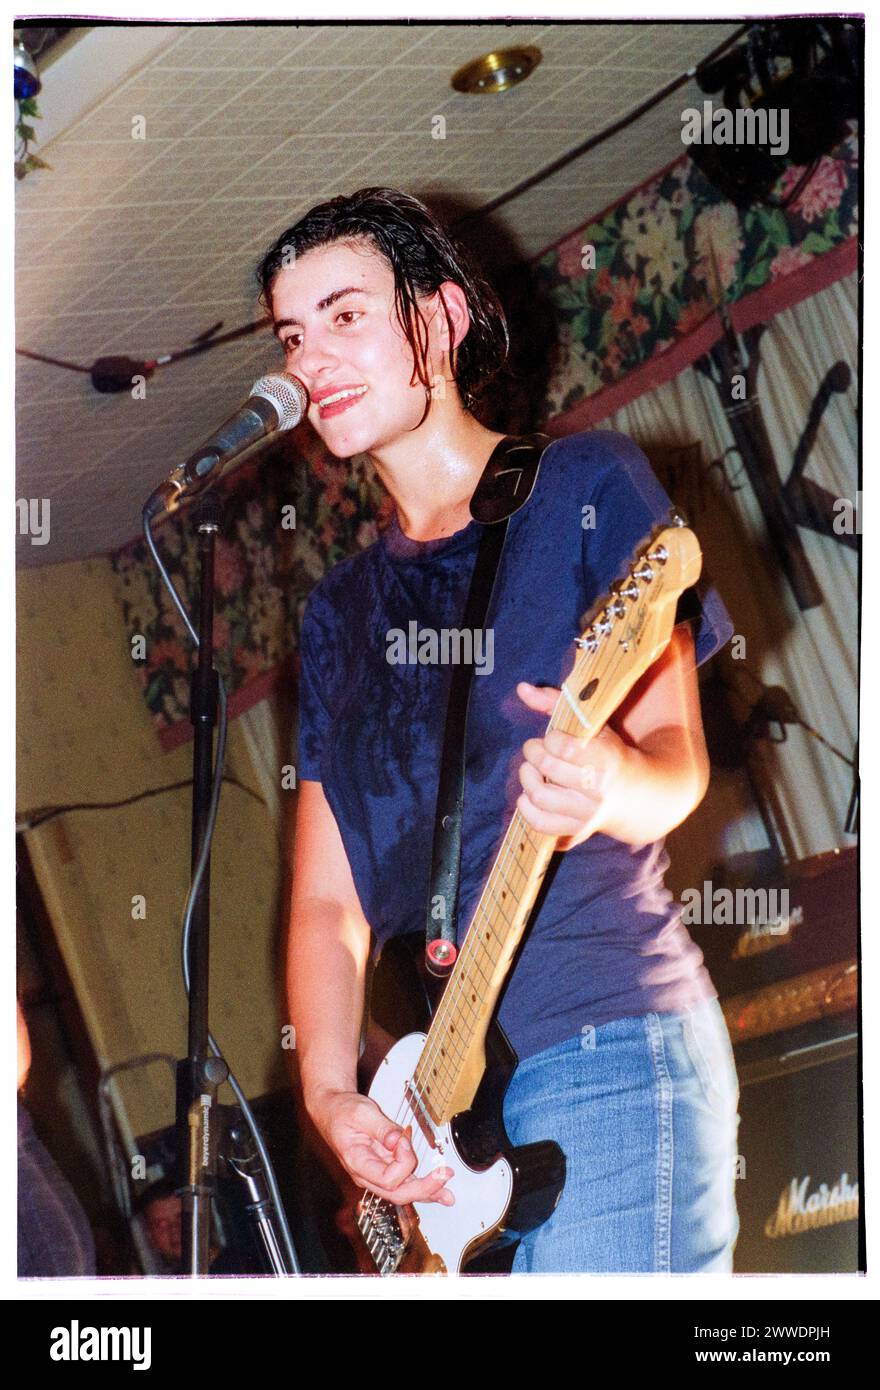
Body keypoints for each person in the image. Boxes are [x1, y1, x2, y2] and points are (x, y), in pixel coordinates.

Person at [259, 187, 741, 1274]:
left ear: (440, 319)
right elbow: (328, 904)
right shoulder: (336, 614)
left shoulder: (581, 485)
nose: (309, 357)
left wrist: (609, 778)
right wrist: (335, 1097)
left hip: (606, 1040)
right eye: (293, 334)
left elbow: (678, 766)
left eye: (344, 316)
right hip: (444, 1122)